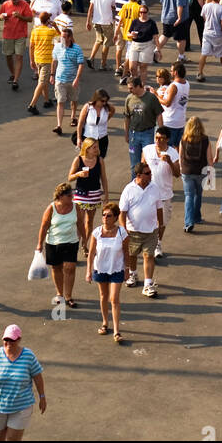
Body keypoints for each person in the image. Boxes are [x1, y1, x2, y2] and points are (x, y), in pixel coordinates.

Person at [0, 325, 46, 443]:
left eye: (12, 340)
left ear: (19, 340)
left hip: (21, 407)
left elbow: (38, 377)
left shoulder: (28, 356)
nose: (8, 342)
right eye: (6, 339)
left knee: (12, 439)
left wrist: (42, 397)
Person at [36, 181, 86, 311]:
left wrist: (85, 240)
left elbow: (80, 223)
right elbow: (44, 226)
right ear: (60, 196)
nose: (72, 197)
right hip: (53, 242)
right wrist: (39, 244)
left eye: (72, 195)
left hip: (71, 241)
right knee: (56, 268)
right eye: (69, 195)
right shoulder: (51, 208)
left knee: (70, 267)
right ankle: (60, 293)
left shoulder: (76, 207)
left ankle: (68, 296)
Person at [118, 161, 164, 296]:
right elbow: (122, 213)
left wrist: (160, 225)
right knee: (132, 255)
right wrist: (123, 229)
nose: (151, 175)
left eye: (150, 173)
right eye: (147, 173)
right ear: (138, 175)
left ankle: (148, 284)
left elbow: (159, 207)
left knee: (148, 256)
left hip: (151, 231)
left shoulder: (154, 187)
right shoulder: (128, 189)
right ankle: (133, 273)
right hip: (132, 231)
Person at [86, 201, 130, 342]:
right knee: (103, 296)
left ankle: (116, 331)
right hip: (101, 269)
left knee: (114, 299)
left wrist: (127, 269)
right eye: (103, 215)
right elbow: (91, 253)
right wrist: (88, 271)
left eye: (109, 215)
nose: (105, 218)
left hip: (116, 269)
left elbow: (126, 252)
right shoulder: (97, 232)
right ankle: (105, 323)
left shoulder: (122, 233)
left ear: (116, 217)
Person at [142, 127, 181, 258]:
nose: (158, 141)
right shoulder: (147, 150)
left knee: (162, 223)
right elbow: (141, 169)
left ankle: (158, 243)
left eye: (161, 138)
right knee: (148, 220)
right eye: (156, 138)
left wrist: (169, 161)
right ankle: (150, 245)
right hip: (147, 193)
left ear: (167, 139)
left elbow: (177, 174)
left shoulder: (173, 153)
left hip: (164, 194)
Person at [68, 137, 110, 247]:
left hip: (94, 194)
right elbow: (70, 177)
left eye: (97, 147)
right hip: (81, 194)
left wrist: (106, 194)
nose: (97, 149)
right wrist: (78, 174)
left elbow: (103, 178)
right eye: (94, 147)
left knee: (89, 222)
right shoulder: (78, 160)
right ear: (87, 148)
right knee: (79, 222)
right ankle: (75, 245)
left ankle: (84, 244)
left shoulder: (100, 160)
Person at [179, 116, 214, 233]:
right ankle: (197, 217)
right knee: (198, 194)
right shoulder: (205, 140)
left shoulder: (183, 139)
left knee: (188, 195)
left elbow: (180, 156)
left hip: (187, 172)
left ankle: (188, 222)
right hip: (200, 172)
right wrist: (210, 176)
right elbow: (209, 158)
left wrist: (181, 168)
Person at [50, 25, 85, 137]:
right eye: (61, 37)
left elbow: (80, 65)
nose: (62, 39)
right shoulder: (57, 47)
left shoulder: (77, 48)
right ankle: (59, 125)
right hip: (60, 79)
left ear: (70, 37)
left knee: (74, 100)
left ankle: (73, 116)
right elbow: (54, 61)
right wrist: (52, 74)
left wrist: (77, 78)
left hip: (72, 79)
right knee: (60, 101)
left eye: (64, 37)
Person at [124, 76, 163, 176]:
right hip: (133, 135)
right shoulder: (129, 99)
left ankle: (150, 184)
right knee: (134, 164)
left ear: (138, 86)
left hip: (148, 134)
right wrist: (126, 134)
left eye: (131, 88)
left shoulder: (151, 98)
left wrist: (161, 132)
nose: (129, 90)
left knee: (149, 161)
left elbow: (159, 114)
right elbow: (127, 117)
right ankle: (135, 184)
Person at [0, 0, 35, 90]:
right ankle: (13, 74)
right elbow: (0, 16)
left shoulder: (25, 4)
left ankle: (15, 81)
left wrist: (20, 16)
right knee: (8, 56)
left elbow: (30, 19)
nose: (17, 1)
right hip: (8, 34)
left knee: (19, 57)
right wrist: (1, 17)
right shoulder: (5, 4)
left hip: (20, 35)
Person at [26, 11, 59, 117]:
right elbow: (61, 39)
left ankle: (46, 100)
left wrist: (31, 60)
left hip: (37, 58)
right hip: (47, 60)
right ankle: (32, 104)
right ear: (48, 20)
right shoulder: (51, 32)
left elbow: (31, 46)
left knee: (43, 80)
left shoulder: (35, 31)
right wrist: (56, 27)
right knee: (41, 82)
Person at [86, 0, 117, 72]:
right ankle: (103, 64)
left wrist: (88, 20)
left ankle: (91, 57)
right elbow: (114, 8)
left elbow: (91, 8)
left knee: (98, 40)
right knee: (106, 43)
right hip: (107, 21)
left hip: (96, 20)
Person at [75, 87, 115, 159]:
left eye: (106, 101)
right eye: (102, 101)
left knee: (100, 160)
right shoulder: (87, 107)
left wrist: (105, 120)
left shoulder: (107, 107)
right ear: (96, 99)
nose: (104, 103)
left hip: (102, 138)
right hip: (88, 138)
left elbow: (112, 111)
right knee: (87, 160)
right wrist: (78, 138)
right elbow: (80, 123)